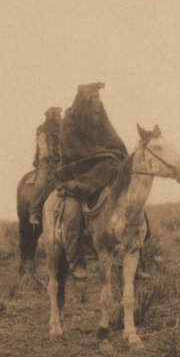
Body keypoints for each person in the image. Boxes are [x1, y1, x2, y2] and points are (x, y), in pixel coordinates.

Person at [52, 83, 128, 279]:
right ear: (85, 101)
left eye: (99, 98)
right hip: (75, 170)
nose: (98, 102)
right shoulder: (70, 117)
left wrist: (120, 154)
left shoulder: (101, 115)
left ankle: (136, 255)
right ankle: (75, 260)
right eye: (94, 99)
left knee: (128, 200)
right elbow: (71, 149)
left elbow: (113, 137)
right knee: (71, 214)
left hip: (100, 166)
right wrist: (99, 153)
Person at [28, 107, 62, 227]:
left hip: (60, 161)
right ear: (51, 117)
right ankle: (33, 213)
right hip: (46, 162)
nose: (60, 118)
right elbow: (44, 150)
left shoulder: (62, 130)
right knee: (41, 183)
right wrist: (54, 159)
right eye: (57, 116)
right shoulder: (42, 131)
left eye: (60, 116)